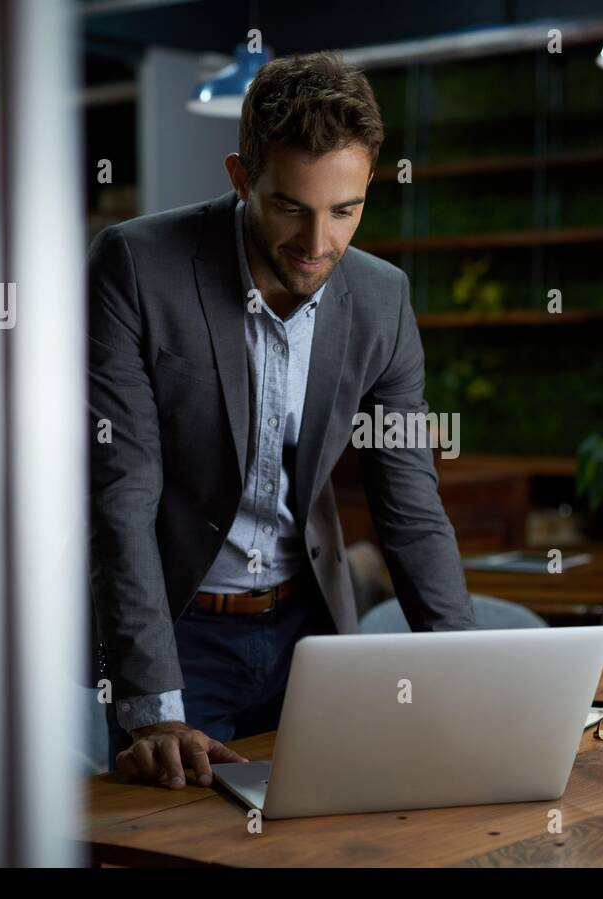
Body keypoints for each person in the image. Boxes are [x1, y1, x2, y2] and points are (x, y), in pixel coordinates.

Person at [87, 51, 476, 790]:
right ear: (241, 179)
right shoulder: (136, 268)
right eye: (292, 207)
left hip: (310, 630)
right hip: (180, 631)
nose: (318, 243)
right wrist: (154, 709)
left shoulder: (381, 300)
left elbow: (412, 509)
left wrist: (469, 676)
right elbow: (120, 498)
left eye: (346, 210)